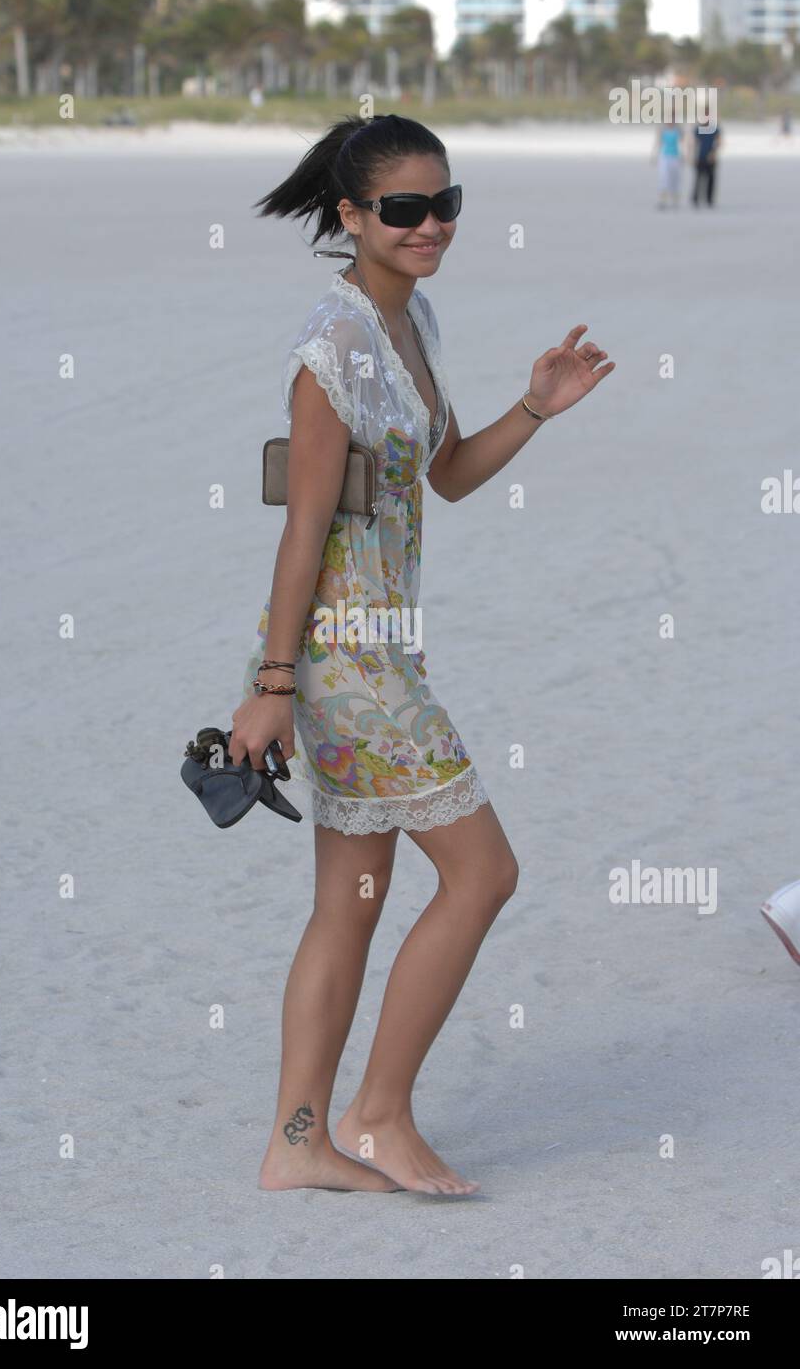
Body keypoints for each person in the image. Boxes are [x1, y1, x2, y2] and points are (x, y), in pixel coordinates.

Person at [230, 113, 615, 1196]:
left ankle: (297, 1142)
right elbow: (301, 527)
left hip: (384, 651)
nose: (430, 224)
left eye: (446, 203)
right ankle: (377, 1112)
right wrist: (269, 688)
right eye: (403, 209)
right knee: (485, 871)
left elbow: (442, 476)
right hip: (348, 663)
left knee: (348, 899)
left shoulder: (412, 322)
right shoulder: (330, 350)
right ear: (350, 216)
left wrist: (534, 408)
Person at [690, 102, 722, 207]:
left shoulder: (714, 129)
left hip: (711, 157)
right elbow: (694, 143)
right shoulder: (698, 129)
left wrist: (713, 153)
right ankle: (695, 199)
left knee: (711, 180)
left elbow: (718, 142)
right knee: (698, 179)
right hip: (700, 157)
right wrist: (693, 156)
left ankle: (709, 200)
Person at [652, 114, 683, 210]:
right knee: (664, 178)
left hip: (675, 156)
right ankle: (662, 201)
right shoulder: (662, 130)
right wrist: (654, 155)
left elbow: (684, 143)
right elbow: (658, 143)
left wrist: (686, 155)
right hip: (665, 156)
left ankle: (675, 200)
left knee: (675, 179)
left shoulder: (678, 130)